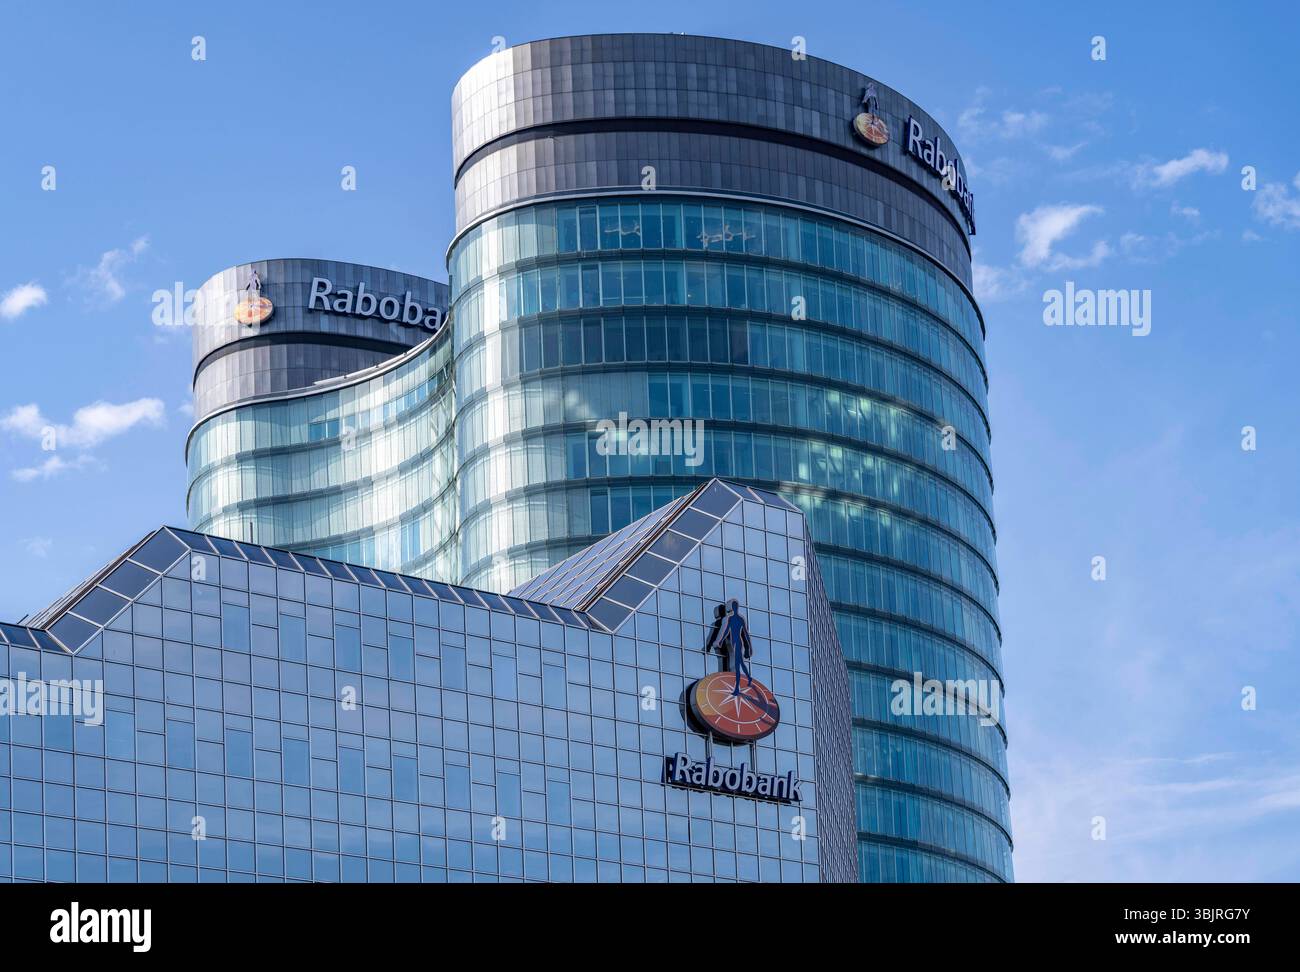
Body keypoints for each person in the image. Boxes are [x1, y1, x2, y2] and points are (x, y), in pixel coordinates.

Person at [707, 599, 753, 696]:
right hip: (733, 644)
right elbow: (725, 631)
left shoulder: (739, 619)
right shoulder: (729, 619)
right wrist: (719, 641)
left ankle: (737, 687)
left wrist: (748, 648)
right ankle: (747, 679)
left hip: (737, 644)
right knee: (738, 664)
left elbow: (745, 634)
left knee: (735, 665)